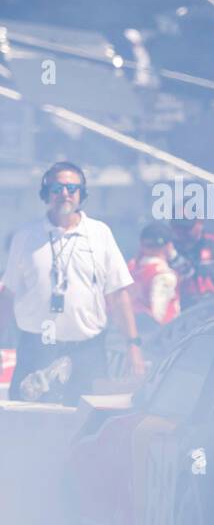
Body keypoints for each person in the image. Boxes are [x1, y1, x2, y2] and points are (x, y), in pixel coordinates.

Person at [0, 162, 144, 403]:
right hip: (37, 350)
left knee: (85, 426)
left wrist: (133, 345)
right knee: (29, 424)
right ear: (46, 194)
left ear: (81, 193)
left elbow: (118, 295)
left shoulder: (100, 234)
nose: (64, 194)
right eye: (56, 188)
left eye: (71, 188)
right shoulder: (25, 236)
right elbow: (8, 295)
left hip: (87, 351)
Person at [127, 222, 180, 332]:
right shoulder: (164, 274)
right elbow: (157, 316)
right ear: (168, 246)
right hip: (161, 338)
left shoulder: (131, 267)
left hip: (128, 332)